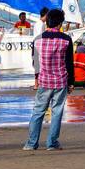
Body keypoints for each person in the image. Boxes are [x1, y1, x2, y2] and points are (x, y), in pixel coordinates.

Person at [25, 8, 71, 151]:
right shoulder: (66, 39)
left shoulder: (38, 39)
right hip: (61, 80)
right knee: (57, 112)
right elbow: (69, 63)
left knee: (38, 111)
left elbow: (35, 63)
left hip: (44, 80)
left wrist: (37, 79)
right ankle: (52, 143)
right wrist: (71, 83)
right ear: (60, 23)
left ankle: (31, 143)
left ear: (48, 22)